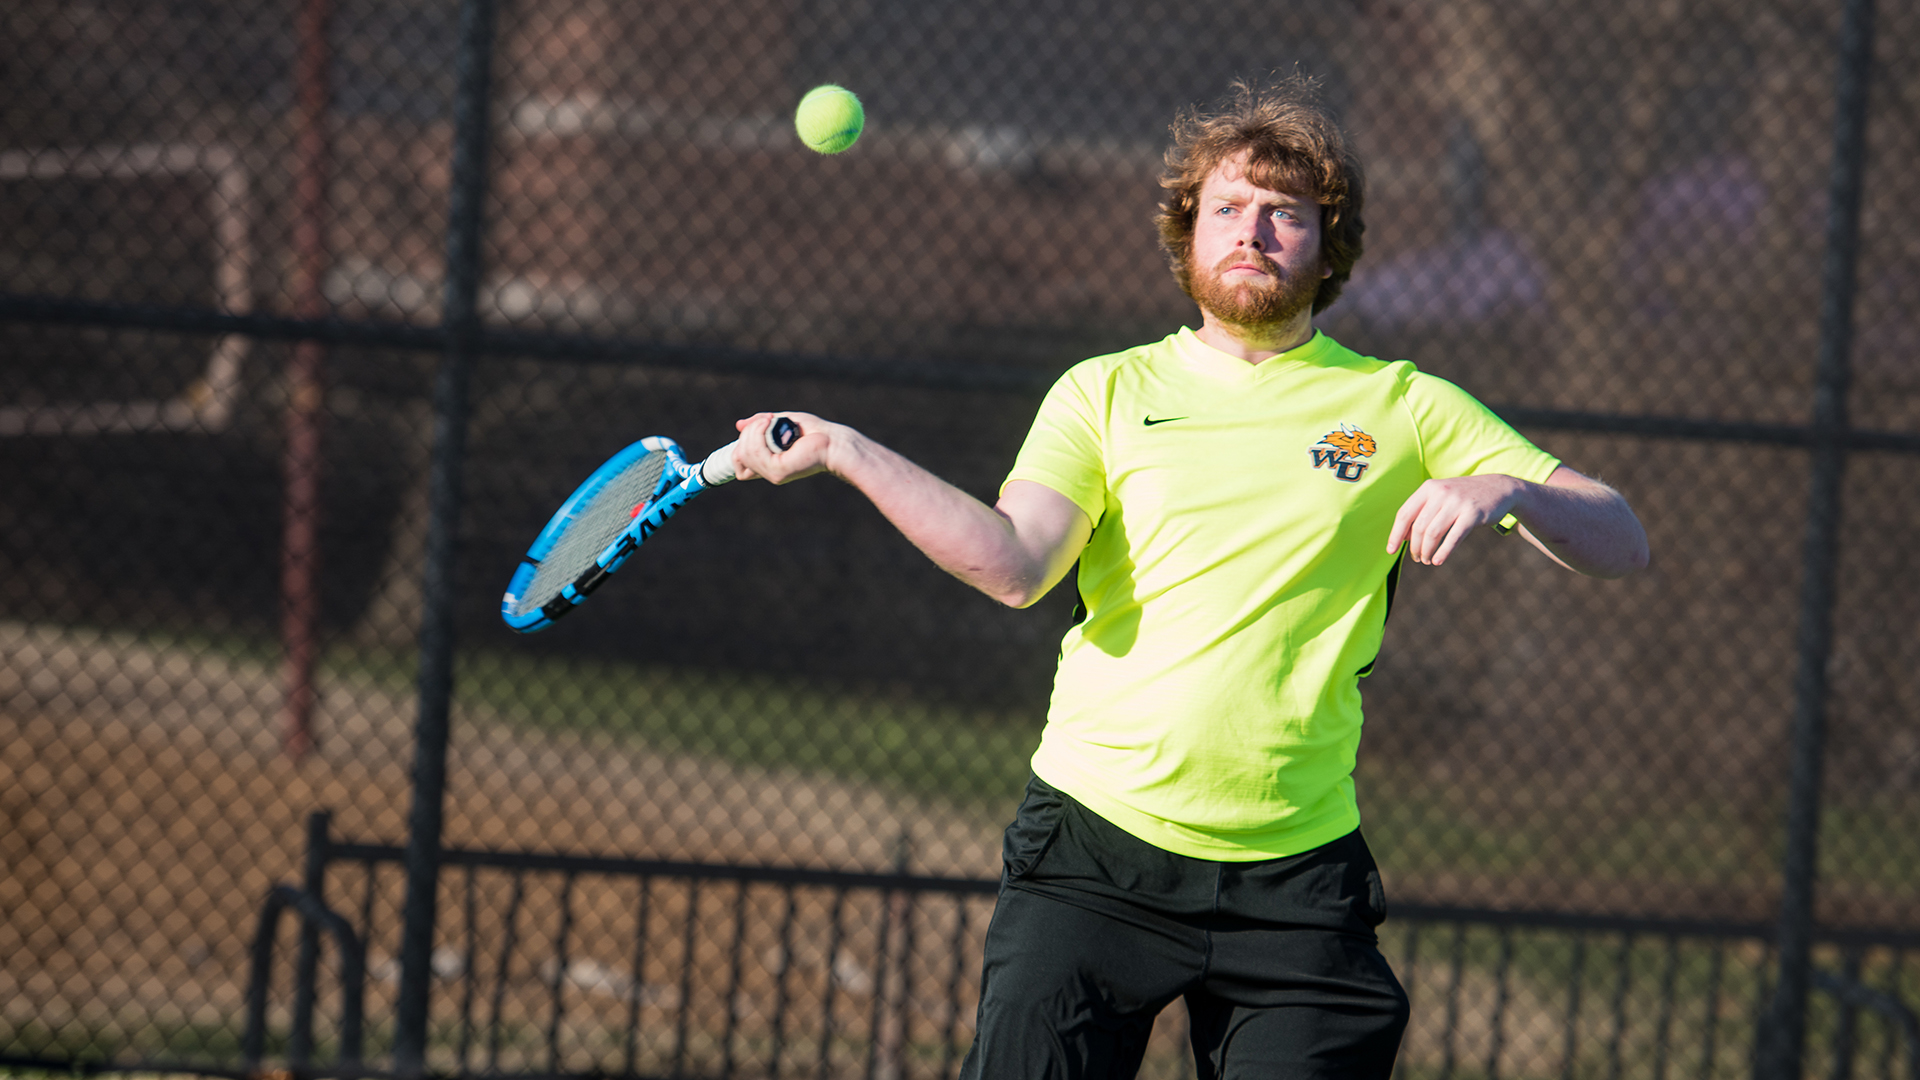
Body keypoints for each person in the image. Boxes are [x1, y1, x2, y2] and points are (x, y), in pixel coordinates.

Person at [730, 76, 1648, 1080]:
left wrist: (1505, 488)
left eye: (1283, 213)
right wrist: (846, 450)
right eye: (1228, 209)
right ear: (1188, 232)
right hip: (1092, 853)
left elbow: (1621, 536)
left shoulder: (1404, 404)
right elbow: (1012, 565)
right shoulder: (1106, 392)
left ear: (1326, 245)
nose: (1252, 231)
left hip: (1297, 880)